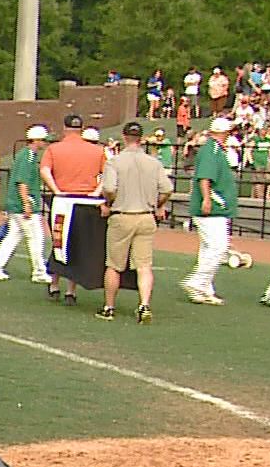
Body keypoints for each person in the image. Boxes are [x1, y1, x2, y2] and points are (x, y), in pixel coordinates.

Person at [96, 122, 172, 323]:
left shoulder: (115, 162)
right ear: (141, 138)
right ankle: (144, 304)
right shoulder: (153, 163)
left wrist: (109, 202)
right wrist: (157, 204)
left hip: (122, 214)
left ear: (124, 137)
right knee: (144, 265)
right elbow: (167, 188)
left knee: (114, 265)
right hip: (146, 215)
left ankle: (109, 307)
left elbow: (110, 188)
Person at [41, 114, 108, 306]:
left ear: (65, 128)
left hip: (63, 201)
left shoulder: (54, 149)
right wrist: (96, 192)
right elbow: (108, 173)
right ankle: (71, 290)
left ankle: (54, 284)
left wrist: (56, 190)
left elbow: (45, 171)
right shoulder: (97, 151)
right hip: (87, 202)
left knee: (60, 243)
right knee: (79, 245)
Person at [0, 125, 52, 284]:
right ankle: (39, 271)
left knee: (12, 238)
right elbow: (22, 181)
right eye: (43, 140)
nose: (44, 143)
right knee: (36, 237)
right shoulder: (27, 156)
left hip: (17, 204)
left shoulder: (27, 155)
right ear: (35, 140)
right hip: (23, 205)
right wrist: (26, 203)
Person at [182, 117, 239, 304]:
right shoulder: (212, 150)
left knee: (209, 249)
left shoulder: (214, 150)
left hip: (216, 207)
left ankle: (205, 289)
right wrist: (207, 199)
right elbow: (205, 177)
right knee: (218, 247)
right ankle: (197, 282)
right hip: (214, 208)